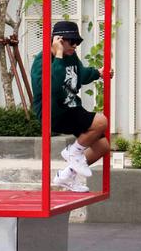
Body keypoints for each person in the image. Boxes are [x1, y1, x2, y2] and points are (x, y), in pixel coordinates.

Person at [30, 20, 110, 192]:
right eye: (71, 41)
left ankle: (66, 176)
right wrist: (58, 56)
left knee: (102, 147)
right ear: (58, 40)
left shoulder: (71, 55)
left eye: (77, 41)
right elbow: (51, 86)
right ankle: (74, 152)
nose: (75, 45)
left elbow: (79, 74)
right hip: (54, 112)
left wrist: (98, 73)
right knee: (101, 121)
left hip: (72, 108)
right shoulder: (42, 60)